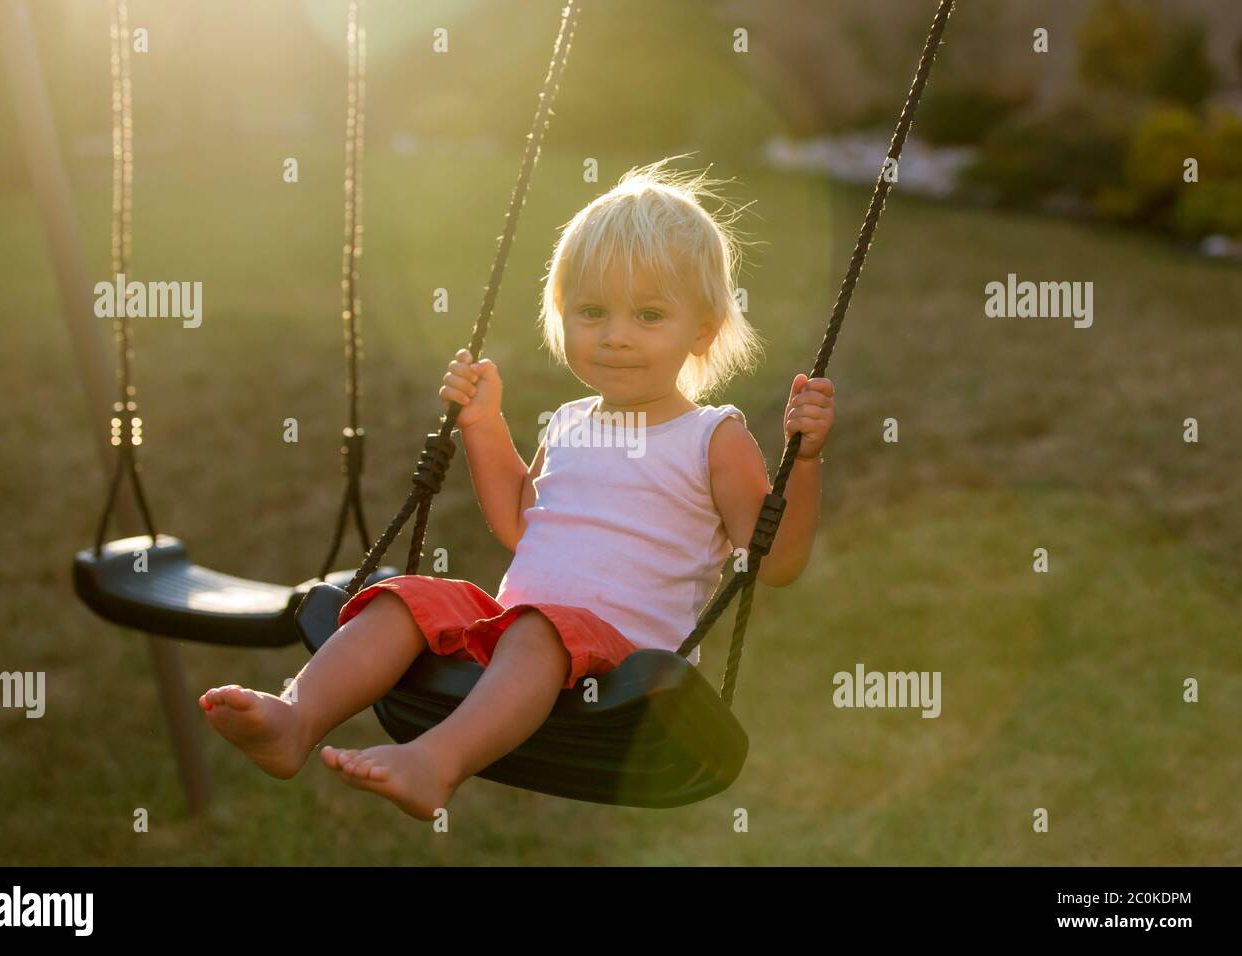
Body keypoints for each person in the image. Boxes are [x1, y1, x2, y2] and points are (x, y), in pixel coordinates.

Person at [199, 158, 835, 820]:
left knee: (537, 631)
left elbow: (776, 561)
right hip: (517, 636)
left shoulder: (712, 437)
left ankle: (435, 762)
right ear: (562, 315)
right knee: (404, 597)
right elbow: (519, 521)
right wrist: (482, 425)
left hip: (624, 672)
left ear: (700, 330)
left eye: (648, 315)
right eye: (592, 312)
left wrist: (806, 460)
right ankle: (296, 718)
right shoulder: (568, 422)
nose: (615, 335)